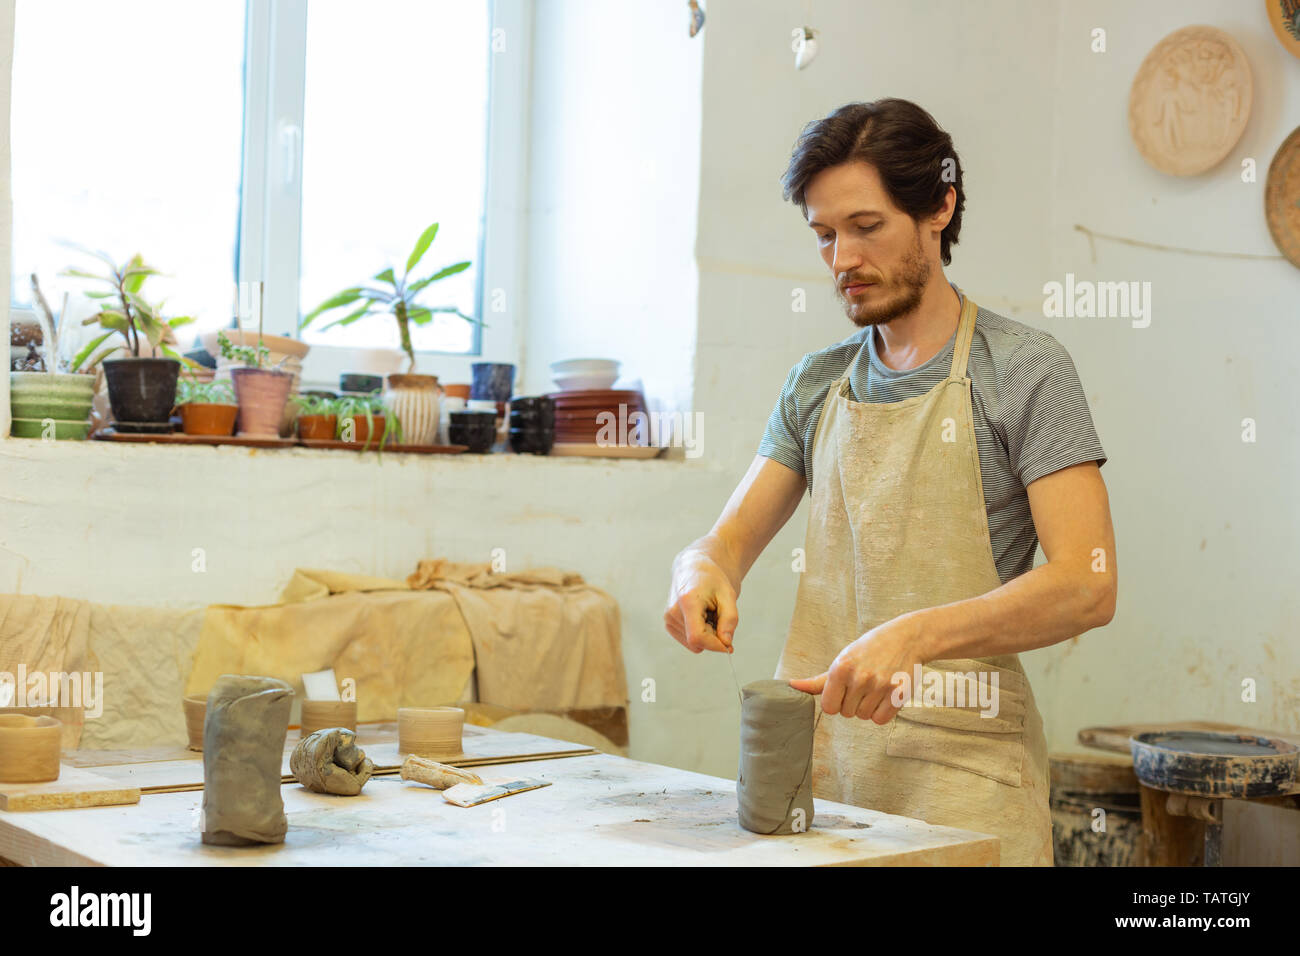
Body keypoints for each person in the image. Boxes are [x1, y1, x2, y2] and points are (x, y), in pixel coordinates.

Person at [663, 99, 1117, 866]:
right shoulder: (819, 383)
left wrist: (914, 636)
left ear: (938, 206)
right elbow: (727, 541)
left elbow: (1086, 585)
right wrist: (699, 568)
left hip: (964, 787)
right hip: (820, 781)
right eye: (825, 235)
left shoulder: (1026, 370)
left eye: (866, 227)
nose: (842, 259)